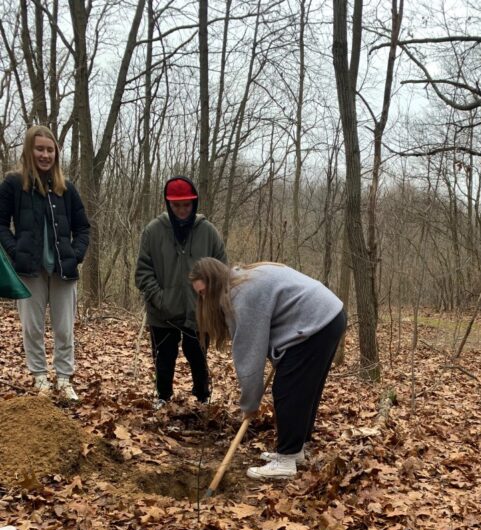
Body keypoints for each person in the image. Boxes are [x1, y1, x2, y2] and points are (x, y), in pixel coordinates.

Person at [190, 258, 346, 480]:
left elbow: (250, 356)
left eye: (204, 292)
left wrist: (250, 404)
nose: (203, 299)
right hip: (328, 315)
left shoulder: (241, 296)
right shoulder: (239, 280)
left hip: (317, 321)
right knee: (302, 388)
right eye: (199, 294)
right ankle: (295, 450)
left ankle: (287, 460)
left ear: (215, 282)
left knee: (288, 389)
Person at [0, 126, 90, 400]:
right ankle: (39, 377)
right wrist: (15, 252)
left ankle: (64, 379)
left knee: (64, 329)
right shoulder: (14, 184)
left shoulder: (66, 187)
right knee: (32, 327)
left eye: (50, 150)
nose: (45, 154)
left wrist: (75, 254)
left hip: (63, 270)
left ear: (56, 154)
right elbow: (1, 224)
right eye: (40, 149)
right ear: (29, 151)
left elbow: (83, 228)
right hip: (29, 270)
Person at [135, 177, 227, 409]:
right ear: (168, 204)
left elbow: (221, 271)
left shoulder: (208, 232)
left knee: (197, 355)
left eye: (187, 205)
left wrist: (210, 300)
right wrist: (160, 298)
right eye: (177, 205)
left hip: (199, 311)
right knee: (163, 358)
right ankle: (163, 397)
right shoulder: (153, 231)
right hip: (162, 312)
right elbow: (143, 272)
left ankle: (203, 396)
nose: (182, 210)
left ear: (194, 203)